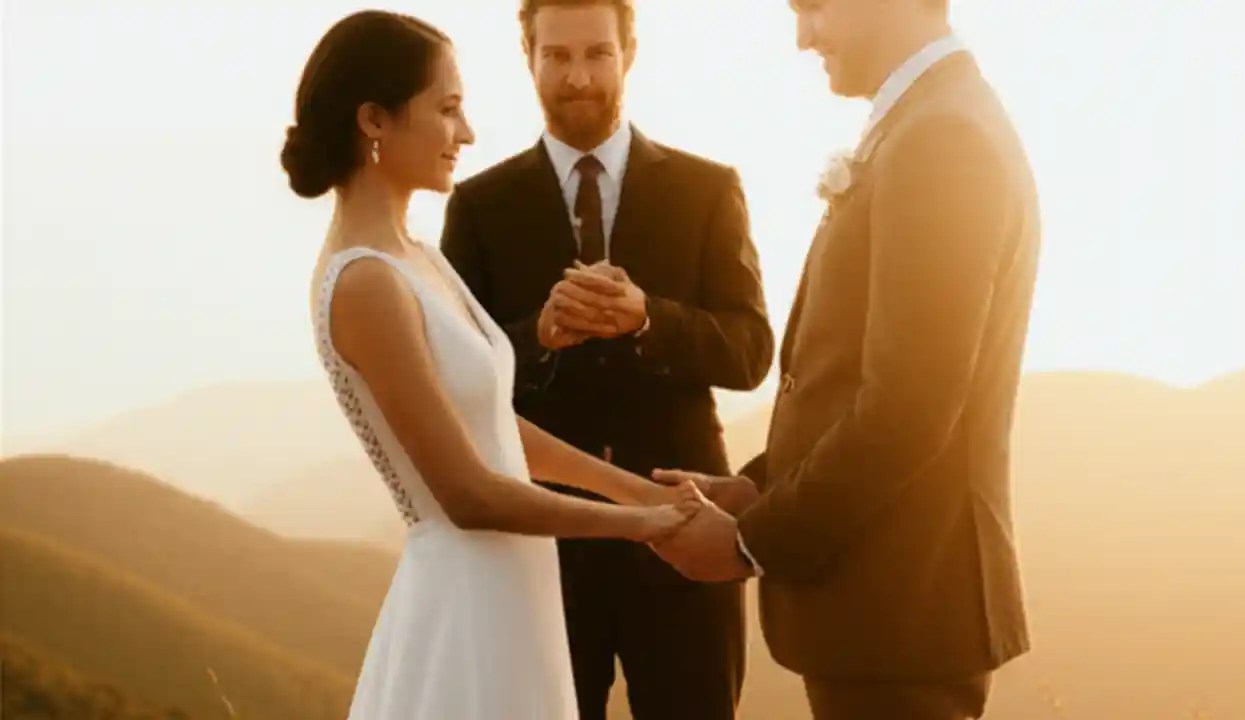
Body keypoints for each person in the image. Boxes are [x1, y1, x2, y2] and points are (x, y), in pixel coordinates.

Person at [280, 11, 700, 719]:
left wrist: (638, 492)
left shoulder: (418, 257)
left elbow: (492, 428)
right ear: (374, 120)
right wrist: (641, 527)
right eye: (448, 109)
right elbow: (469, 494)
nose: (467, 133)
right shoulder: (366, 283)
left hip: (512, 594)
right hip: (465, 608)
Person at [652, 1, 1041, 718]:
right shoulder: (927, 123)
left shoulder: (942, 139)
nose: (803, 38)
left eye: (814, 6)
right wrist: (759, 487)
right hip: (885, 613)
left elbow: (910, 407)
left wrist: (749, 543)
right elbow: (855, 380)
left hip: (901, 609)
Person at [439, 1, 773, 718]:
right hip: (541, 546)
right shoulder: (476, 206)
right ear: (527, 58)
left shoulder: (708, 189)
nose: (578, 77)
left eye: (596, 54)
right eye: (556, 57)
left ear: (629, 54)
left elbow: (751, 352)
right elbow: (452, 380)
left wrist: (650, 317)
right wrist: (538, 337)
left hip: (685, 530)